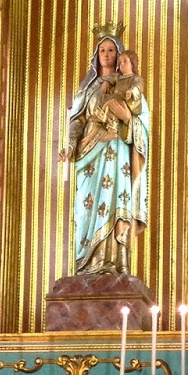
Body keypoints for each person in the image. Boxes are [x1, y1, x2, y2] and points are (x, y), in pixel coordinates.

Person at [59, 31, 150, 275]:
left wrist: (127, 119)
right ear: (96, 56)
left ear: (120, 56)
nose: (107, 55)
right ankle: (87, 264)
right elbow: (76, 120)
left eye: (112, 51)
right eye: (103, 51)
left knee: (113, 201)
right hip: (88, 151)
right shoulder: (87, 90)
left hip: (116, 148)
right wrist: (69, 146)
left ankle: (113, 262)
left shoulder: (129, 84)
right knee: (87, 206)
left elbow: (142, 121)